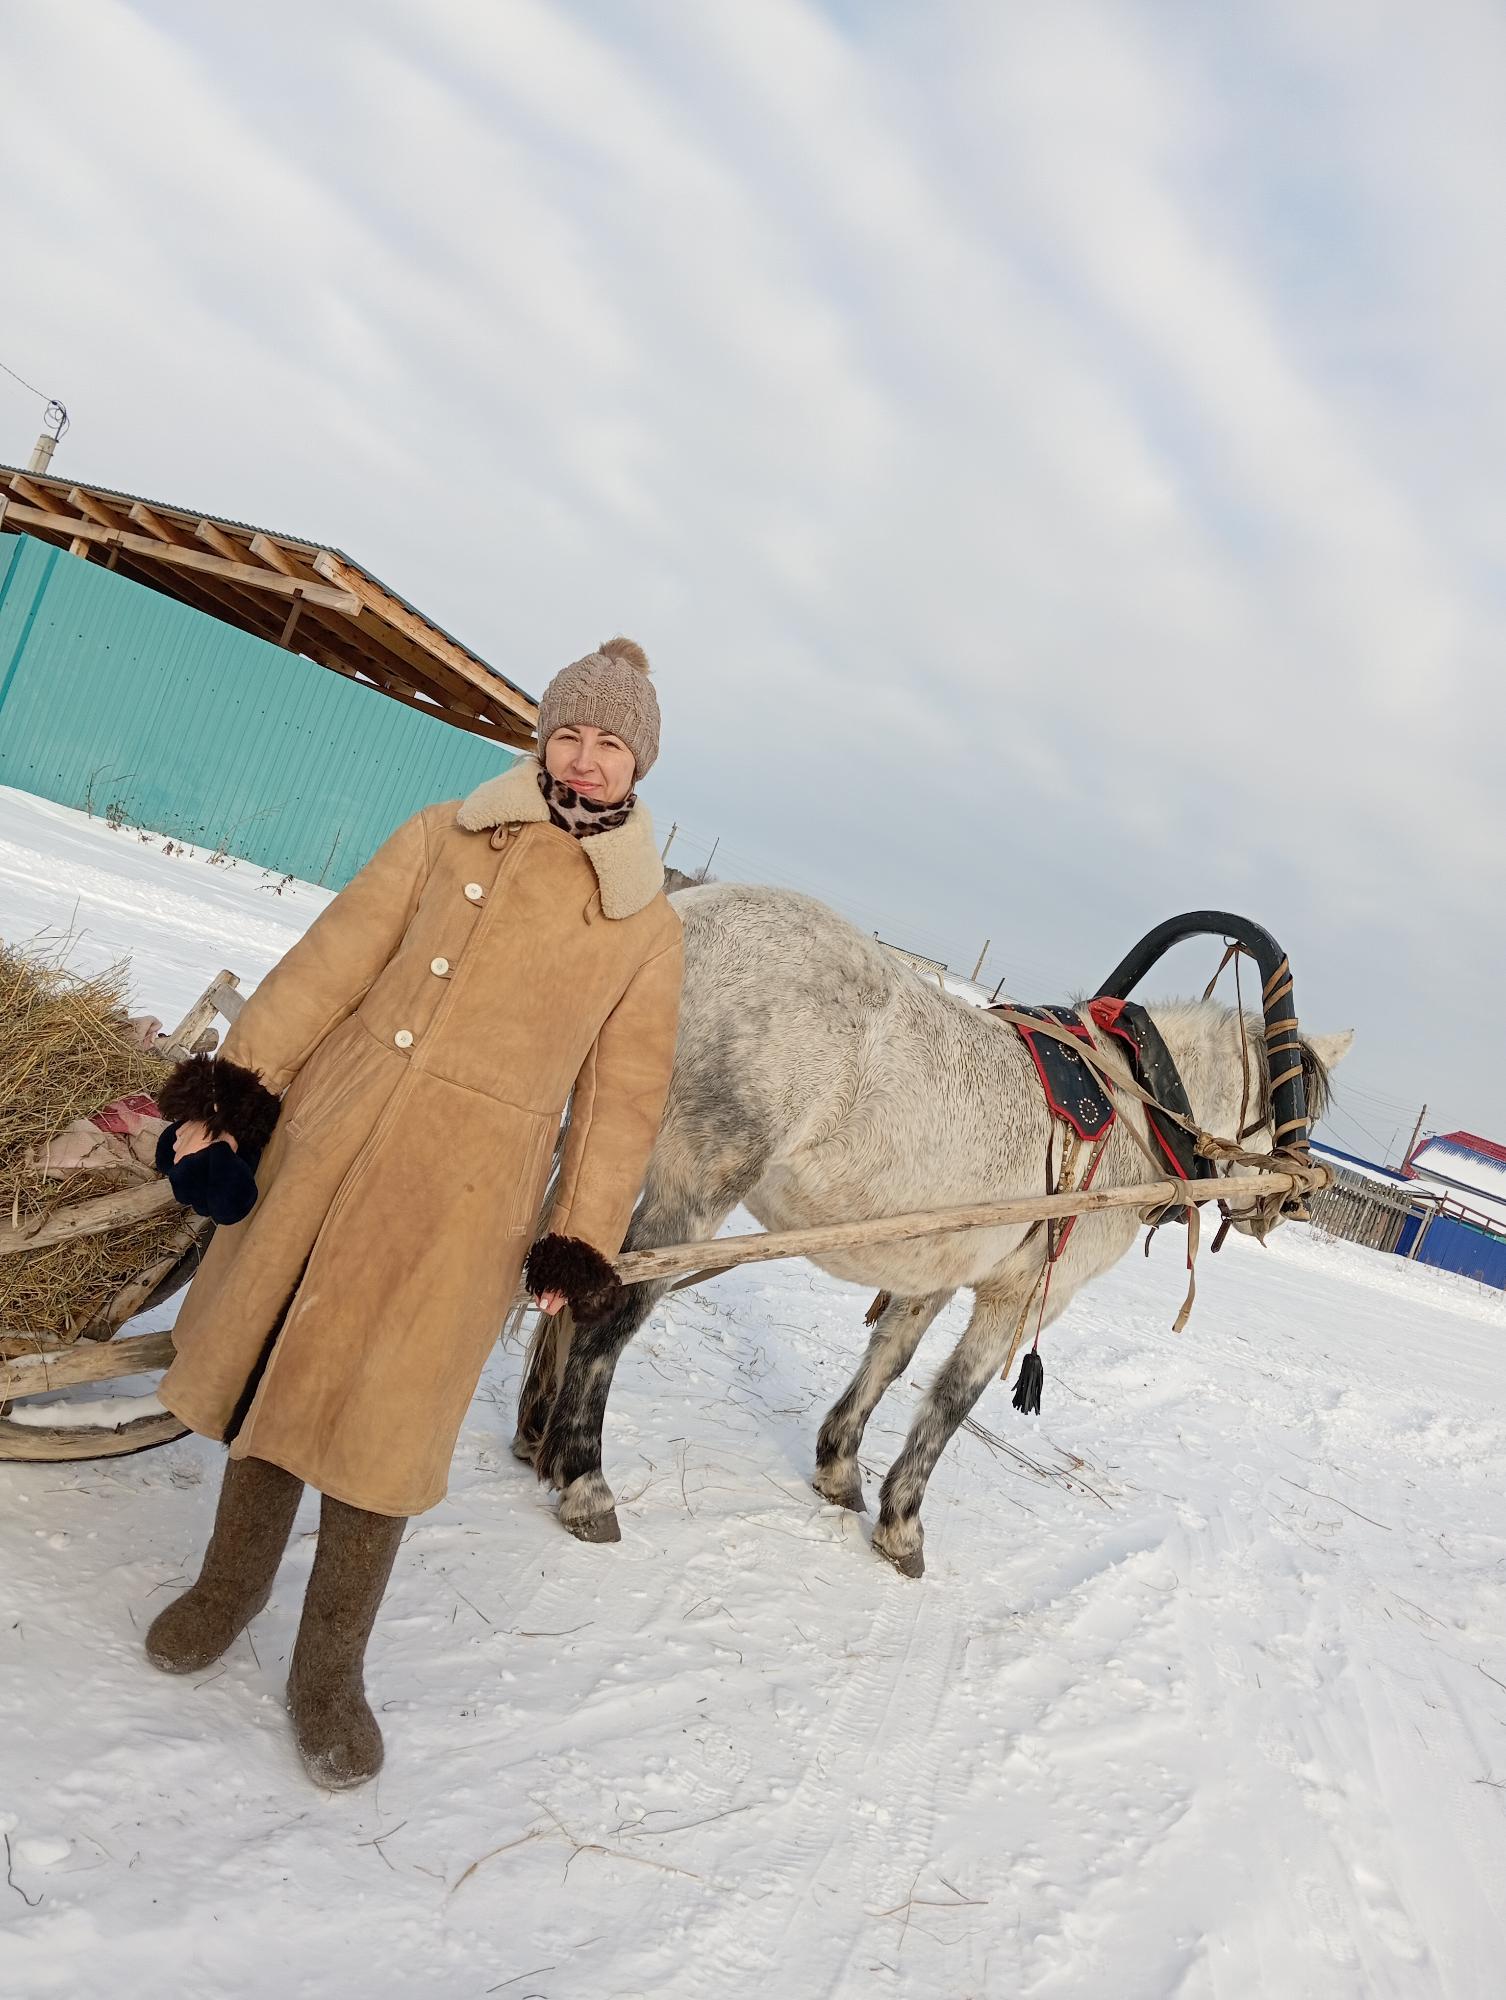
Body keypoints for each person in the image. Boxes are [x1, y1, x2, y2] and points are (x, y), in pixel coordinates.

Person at [144, 637, 682, 1788]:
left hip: (467, 1195)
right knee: (280, 1372)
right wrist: (236, 1090)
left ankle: (327, 1669)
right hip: (334, 1140)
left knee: (384, 1421)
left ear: (640, 764)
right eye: (569, 735)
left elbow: (621, 1099)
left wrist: (577, 1233)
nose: (584, 761)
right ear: (544, 739)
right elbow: (330, 962)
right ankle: (227, 1587)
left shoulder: (645, 923)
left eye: (610, 743)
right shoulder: (446, 830)